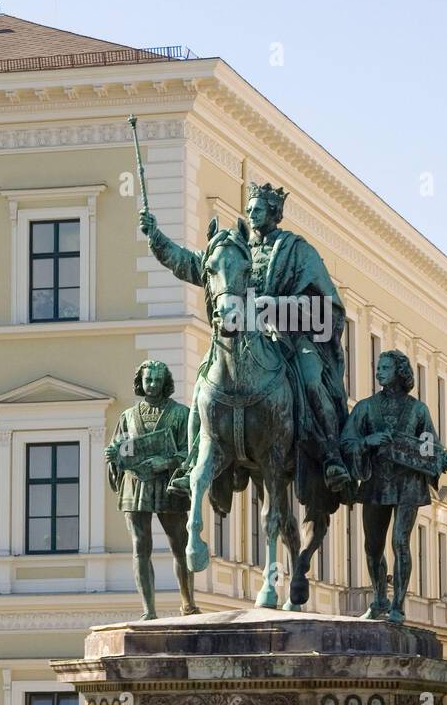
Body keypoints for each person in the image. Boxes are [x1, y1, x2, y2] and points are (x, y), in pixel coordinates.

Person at [139, 182, 353, 506]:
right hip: (240, 339)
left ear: (274, 213)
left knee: (311, 381)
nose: (252, 214)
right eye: (250, 209)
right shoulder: (234, 250)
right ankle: (192, 461)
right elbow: (189, 263)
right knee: (201, 386)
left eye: (259, 209)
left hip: (291, 338)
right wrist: (156, 237)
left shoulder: (298, 251)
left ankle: (330, 455)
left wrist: (275, 305)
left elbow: (327, 308)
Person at [341, 349, 447, 623]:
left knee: (400, 542)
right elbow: (346, 442)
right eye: (378, 367)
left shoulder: (418, 410)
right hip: (375, 481)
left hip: (408, 484)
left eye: (386, 367)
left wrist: (439, 459)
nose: (379, 372)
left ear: (400, 373)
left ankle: (398, 606)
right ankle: (379, 598)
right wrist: (368, 441)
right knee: (372, 546)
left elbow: (430, 447)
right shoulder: (365, 407)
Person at [104, 360, 199, 619]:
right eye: (149, 380)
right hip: (135, 485)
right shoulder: (127, 417)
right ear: (141, 382)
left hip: (169, 484)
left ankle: (188, 604)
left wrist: (166, 462)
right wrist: (114, 457)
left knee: (179, 544)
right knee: (140, 546)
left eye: (157, 380)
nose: (153, 385)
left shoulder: (182, 414)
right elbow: (120, 449)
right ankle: (149, 610)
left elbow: (191, 452)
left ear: (165, 382)